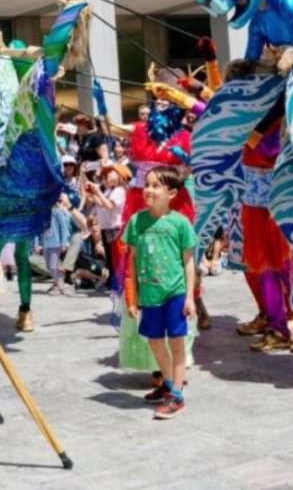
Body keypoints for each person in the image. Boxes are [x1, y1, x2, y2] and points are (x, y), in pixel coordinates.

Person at [122, 166, 198, 420]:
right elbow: (130, 260)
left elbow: (188, 262)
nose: (148, 190)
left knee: (176, 342)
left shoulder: (180, 223)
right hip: (148, 293)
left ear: (172, 193)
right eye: (147, 184)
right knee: (154, 341)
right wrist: (132, 296)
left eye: (156, 186)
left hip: (174, 292)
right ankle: (166, 383)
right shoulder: (136, 221)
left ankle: (177, 394)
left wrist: (189, 297)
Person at [38, 195, 73, 295]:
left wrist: (64, 243)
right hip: (45, 244)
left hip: (55, 244)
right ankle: (58, 280)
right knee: (49, 266)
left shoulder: (56, 212)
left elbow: (63, 227)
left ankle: (58, 285)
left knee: (53, 266)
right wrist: (37, 244)